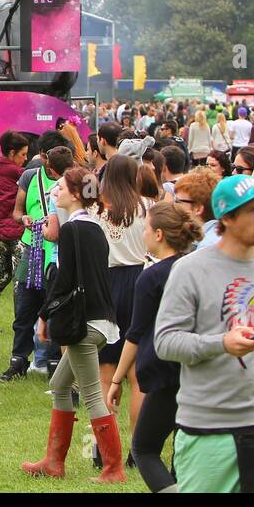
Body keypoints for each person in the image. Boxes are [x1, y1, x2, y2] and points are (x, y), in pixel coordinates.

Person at [154, 174, 254, 492]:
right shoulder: (190, 270)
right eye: (253, 210)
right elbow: (165, 341)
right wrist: (222, 343)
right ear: (227, 218)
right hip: (207, 425)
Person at [22, 165, 125, 482]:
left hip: (85, 323)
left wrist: (44, 315)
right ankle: (54, 462)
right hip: (101, 320)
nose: (56, 192)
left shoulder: (72, 230)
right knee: (59, 385)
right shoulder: (94, 227)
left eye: (62, 188)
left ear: (77, 194)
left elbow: (63, 280)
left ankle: (113, 468)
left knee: (92, 394)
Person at [105, 202, 201, 492]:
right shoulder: (196, 268)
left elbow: (135, 334)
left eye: (145, 229)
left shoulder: (151, 277)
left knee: (144, 448)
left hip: (163, 371)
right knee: (182, 445)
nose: (143, 234)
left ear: (159, 234)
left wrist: (116, 378)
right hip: (196, 368)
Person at [0, 143, 73, 381]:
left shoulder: (72, 182)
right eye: (54, 170)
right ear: (45, 161)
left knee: (55, 306)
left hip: (58, 252)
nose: (57, 176)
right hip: (31, 248)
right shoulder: (30, 177)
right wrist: (25, 219)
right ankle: (18, 361)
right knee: (24, 307)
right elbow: (17, 212)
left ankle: (53, 363)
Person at [93, 154, 152, 456]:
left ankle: (104, 449)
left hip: (106, 285)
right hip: (139, 284)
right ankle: (136, 449)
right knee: (136, 375)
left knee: (104, 372)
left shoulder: (96, 209)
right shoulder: (145, 207)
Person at [0, 131, 28, 302]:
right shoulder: (20, 174)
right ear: (12, 153)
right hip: (17, 234)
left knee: (2, 277)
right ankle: (21, 325)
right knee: (20, 280)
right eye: (23, 154)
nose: (25, 158)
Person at [173, 168, 221, 248]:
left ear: (198, 209)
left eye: (178, 202)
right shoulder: (213, 235)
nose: (173, 206)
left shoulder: (206, 246)